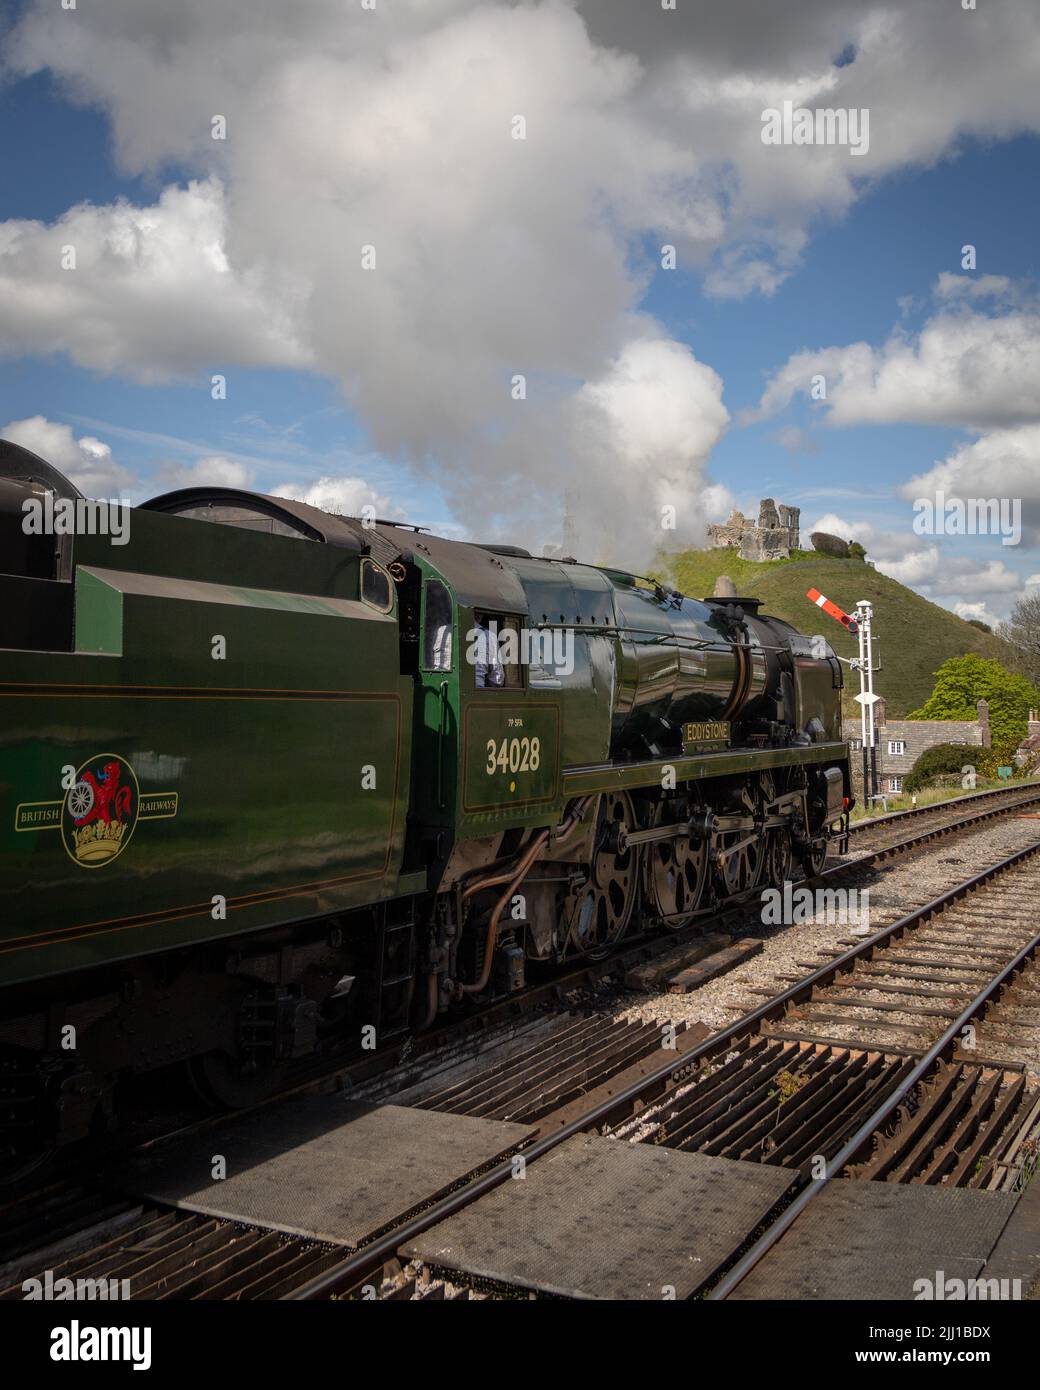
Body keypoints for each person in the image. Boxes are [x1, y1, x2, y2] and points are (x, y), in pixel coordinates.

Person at [472, 617, 505, 688]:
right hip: (477, 693)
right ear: (479, 615)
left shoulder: (442, 631)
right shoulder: (489, 636)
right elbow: (497, 678)